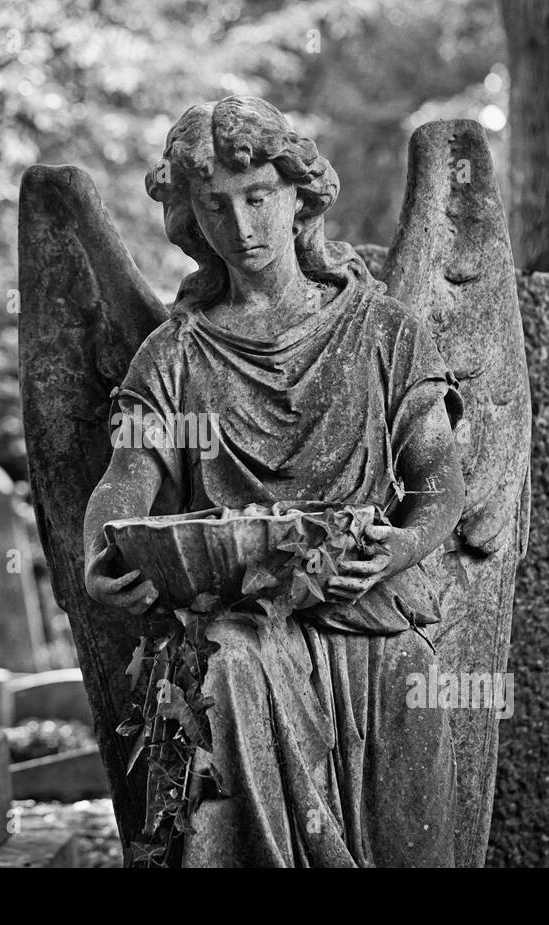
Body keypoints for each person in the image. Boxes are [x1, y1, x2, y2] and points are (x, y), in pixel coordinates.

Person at [83, 95, 465, 867]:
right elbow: (128, 478)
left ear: (298, 194)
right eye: (215, 206)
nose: (242, 225)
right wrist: (101, 551)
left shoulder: (384, 332)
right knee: (226, 663)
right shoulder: (176, 356)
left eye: (258, 196)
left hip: (373, 616)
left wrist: (399, 547)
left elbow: (439, 482)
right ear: (190, 217)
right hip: (242, 621)